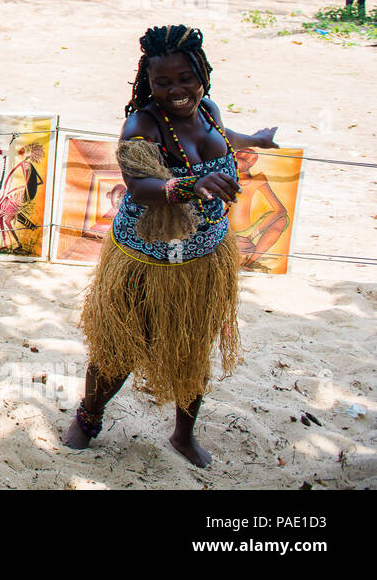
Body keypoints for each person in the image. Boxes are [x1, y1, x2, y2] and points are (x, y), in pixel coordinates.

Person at [63, 24, 279, 467]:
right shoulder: (140, 127)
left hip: (203, 257)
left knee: (191, 345)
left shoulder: (210, 109)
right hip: (146, 258)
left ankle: (183, 435)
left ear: (202, 73)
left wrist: (253, 140)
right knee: (119, 345)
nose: (176, 90)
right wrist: (191, 184)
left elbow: (223, 137)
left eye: (186, 78)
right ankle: (89, 417)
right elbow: (141, 187)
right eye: (163, 82)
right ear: (148, 81)